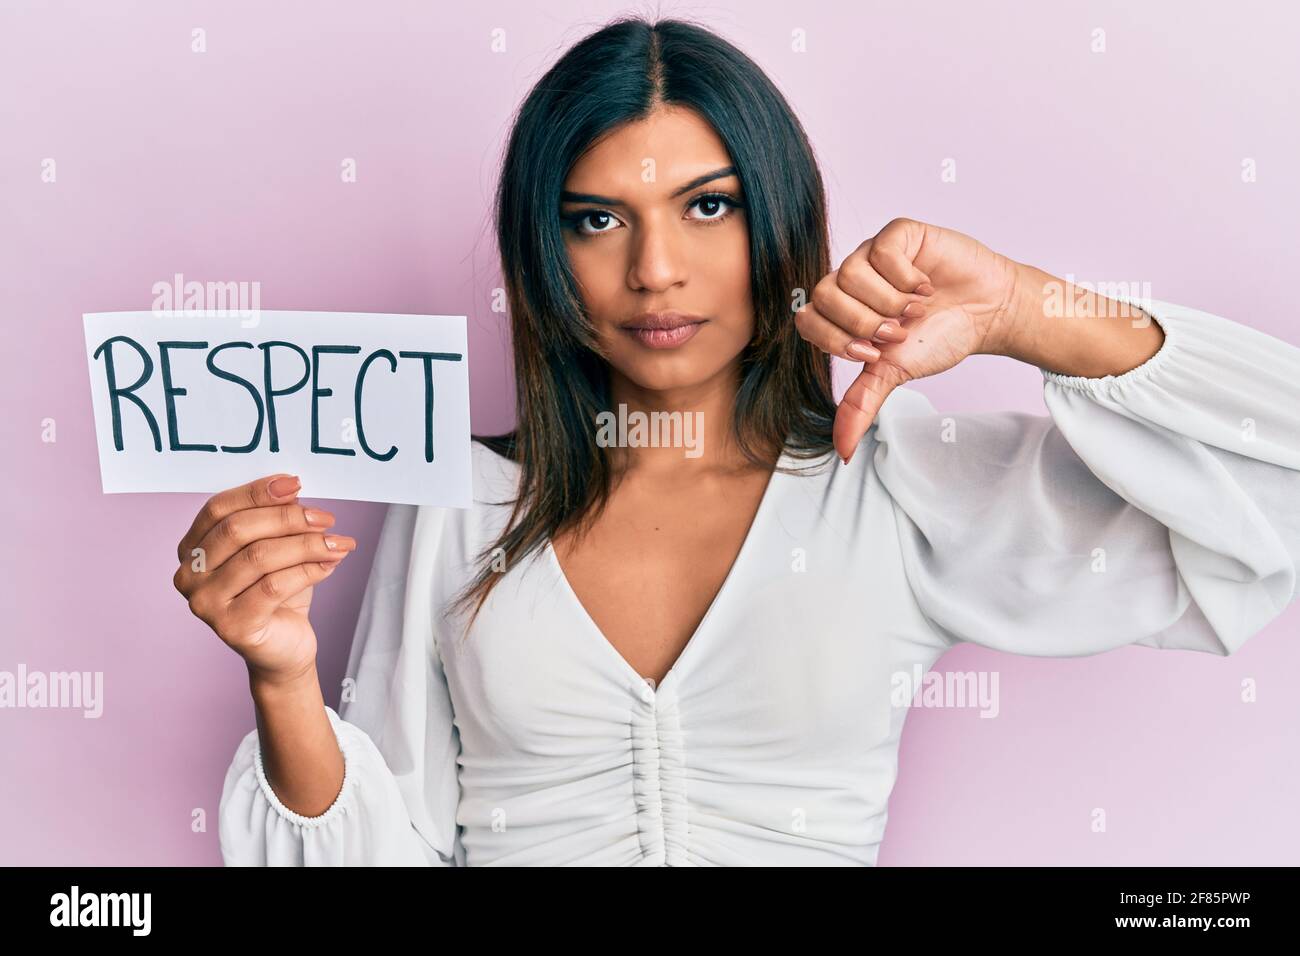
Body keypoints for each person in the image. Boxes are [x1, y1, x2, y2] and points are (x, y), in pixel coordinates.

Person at [174, 17, 1300, 865]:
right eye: (597, 218)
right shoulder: (459, 498)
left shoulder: (890, 476)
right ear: (542, 250)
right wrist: (282, 672)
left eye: (706, 206)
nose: (654, 269)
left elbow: (1277, 476)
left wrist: (1019, 309)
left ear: (777, 217)